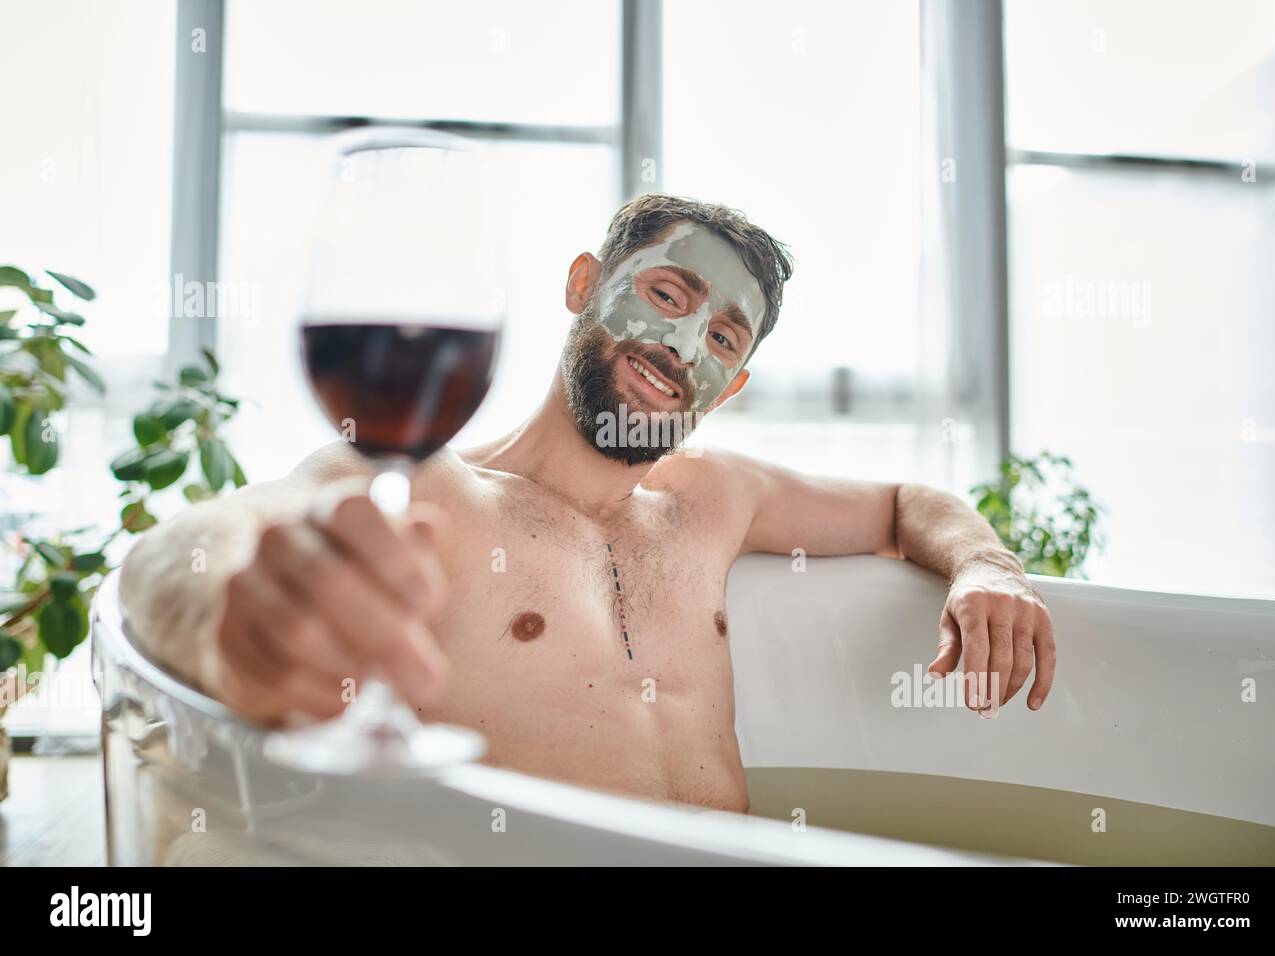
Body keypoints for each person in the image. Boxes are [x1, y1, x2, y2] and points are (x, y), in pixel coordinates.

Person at [121, 194, 1055, 813]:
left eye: (723, 336)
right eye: (665, 293)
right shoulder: (435, 490)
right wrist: (225, 615)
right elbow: (186, 549)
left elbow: (902, 504)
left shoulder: (716, 498)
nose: (685, 345)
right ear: (583, 286)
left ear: (729, 386)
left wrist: (987, 565)